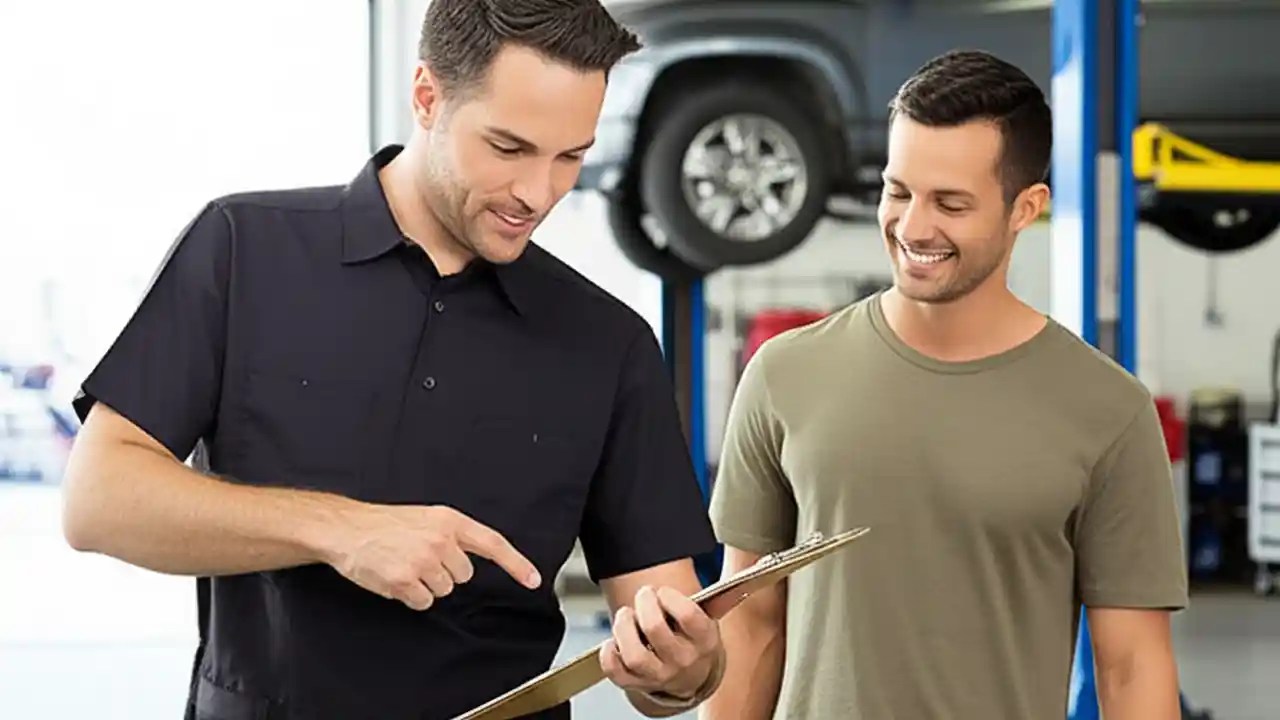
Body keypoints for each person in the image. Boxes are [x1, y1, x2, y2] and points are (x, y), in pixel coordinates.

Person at [60, 2, 726, 718]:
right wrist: (340, 529)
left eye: (571, 156)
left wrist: (684, 668)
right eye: (508, 148)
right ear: (427, 96)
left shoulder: (610, 342)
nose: (538, 194)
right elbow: (98, 500)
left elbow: (671, 643)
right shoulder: (243, 250)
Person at [700, 50, 1188, 720]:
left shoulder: (1108, 412)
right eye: (898, 191)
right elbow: (750, 624)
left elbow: (1131, 665)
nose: (914, 227)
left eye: (950, 203)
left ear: (1027, 208)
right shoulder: (785, 376)